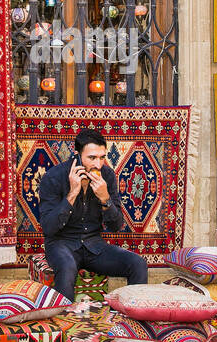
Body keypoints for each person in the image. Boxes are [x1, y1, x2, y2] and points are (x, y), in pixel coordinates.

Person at [37, 128, 147, 301]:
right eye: (92, 158)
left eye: (102, 157)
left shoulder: (108, 176)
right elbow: (49, 228)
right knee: (66, 266)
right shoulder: (54, 177)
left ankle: (131, 323)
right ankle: (64, 324)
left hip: (94, 245)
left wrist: (105, 199)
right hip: (61, 244)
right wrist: (72, 193)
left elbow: (116, 226)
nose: (98, 164)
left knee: (138, 264)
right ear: (77, 155)